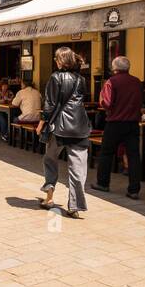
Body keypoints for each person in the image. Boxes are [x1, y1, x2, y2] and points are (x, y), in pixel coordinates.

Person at [37, 48, 91, 218]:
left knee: (50, 160)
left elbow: (50, 104)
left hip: (59, 127)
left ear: (61, 60)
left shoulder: (55, 77)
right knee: (78, 168)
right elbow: (83, 101)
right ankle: (75, 207)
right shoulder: (81, 79)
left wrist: (41, 123)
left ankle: (49, 197)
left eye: (56, 58)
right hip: (80, 127)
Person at [91, 56, 143, 199]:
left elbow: (106, 103)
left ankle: (103, 183)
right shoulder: (137, 82)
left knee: (107, 153)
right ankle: (134, 189)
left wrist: (101, 98)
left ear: (114, 68)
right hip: (132, 123)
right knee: (133, 156)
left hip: (115, 123)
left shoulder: (111, 82)